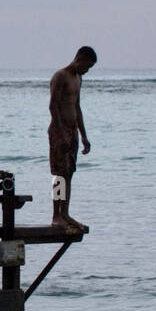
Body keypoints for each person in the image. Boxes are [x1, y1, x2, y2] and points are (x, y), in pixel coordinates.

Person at [49, 46, 96, 231]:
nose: (87, 70)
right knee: (59, 174)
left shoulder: (78, 79)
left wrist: (84, 136)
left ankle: (65, 213)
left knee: (69, 174)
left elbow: (77, 107)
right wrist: (60, 132)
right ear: (79, 58)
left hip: (72, 131)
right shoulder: (60, 76)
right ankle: (56, 215)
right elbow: (53, 106)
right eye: (87, 66)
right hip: (58, 131)